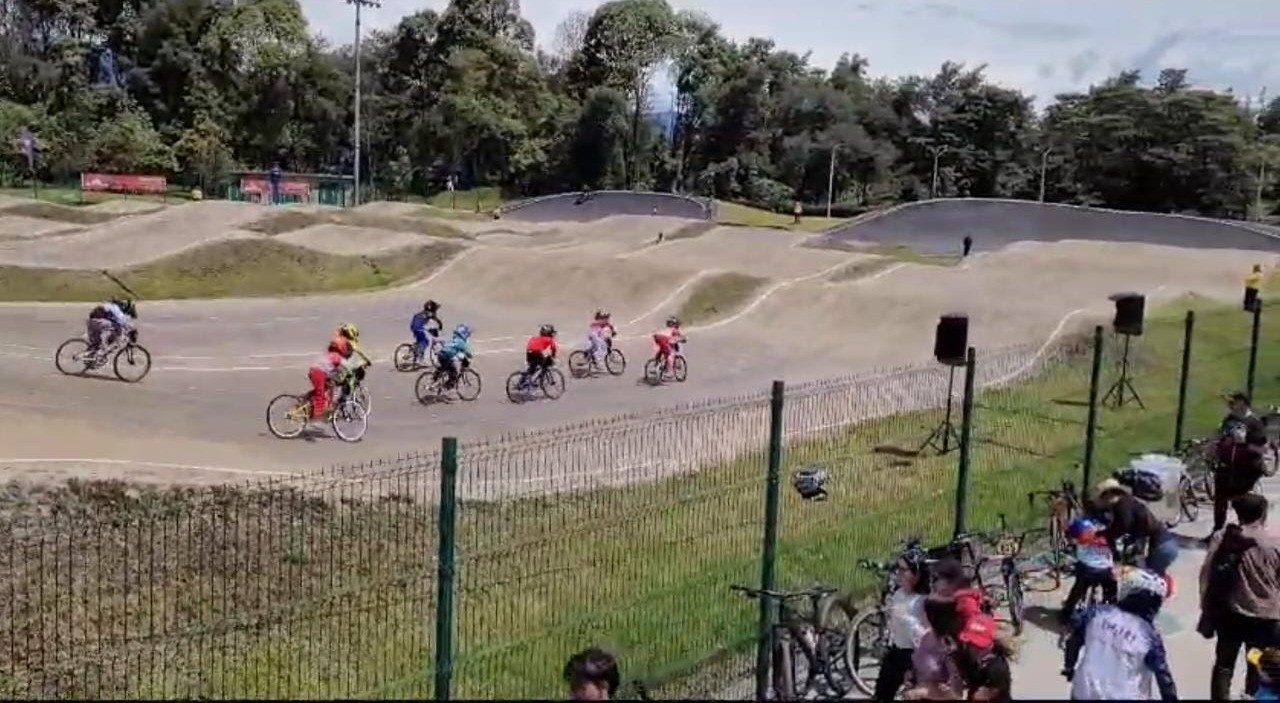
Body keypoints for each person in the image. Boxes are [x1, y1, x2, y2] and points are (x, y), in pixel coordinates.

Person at [1200, 493, 1280, 700]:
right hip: (1265, 618)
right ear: (1262, 515)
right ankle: (1251, 697)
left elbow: (1207, 574)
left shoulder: (1224, 537)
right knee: (1257, 665)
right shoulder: (1274, 542)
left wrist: (1206, 606)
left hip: (1231, 614)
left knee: (1224, 665)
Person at [1062, 567, 1177, 701]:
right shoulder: (1149, 636)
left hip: (1084, 691)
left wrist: (1069, 667)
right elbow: (1163, 676)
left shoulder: (1096, 614)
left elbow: (1073, 642)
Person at [875, 548, 932, 700]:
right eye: (898, 569)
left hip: (916, 657)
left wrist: (906, 619)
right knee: (882, 694)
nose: (898, 574)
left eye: (903, 570)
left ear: (916, 574)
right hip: (897, 651)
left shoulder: (925, 601)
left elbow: (926, 636)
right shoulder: (899, 594)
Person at [1095, 478, 1179, 575]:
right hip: (1168, 544)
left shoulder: (1122, 504)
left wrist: (1102, 535)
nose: (1102, 502)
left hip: (1162, 547)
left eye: (1102, 497)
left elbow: (1123, 526)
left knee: (1147, 577)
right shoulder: (1129, 503)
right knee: (1153, 575)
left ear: (1109, 494)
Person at [1211, 426, 1269, 538]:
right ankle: (1242, 529)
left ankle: (1219, 529)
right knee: (1241, 505)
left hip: (1228, 483)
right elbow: (1261, 470)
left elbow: (1218, 455)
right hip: (1236, 486)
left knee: (1223, 506)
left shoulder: (1234, 450)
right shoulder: (1249, 454)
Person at [904, 595, 964, 700]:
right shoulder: (923, 637)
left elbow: (957, 693)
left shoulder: (949, 648)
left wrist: (924, 692)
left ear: (931, 617)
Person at [1060, 517, 1118, 624]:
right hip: (1105, 569)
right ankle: (1110, 616)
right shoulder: (1108, 528)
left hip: (1087, 568)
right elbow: (1115, 550)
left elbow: (1070, 539)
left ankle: (1066, 614)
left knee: (1078, 589)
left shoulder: (1079, 524)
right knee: (1110, 591)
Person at [953, 612, 1013, 702]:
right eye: (969, 643)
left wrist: (982, 693)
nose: (973, 648)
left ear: (990, 645)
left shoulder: (997, 667)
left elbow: (990, 691)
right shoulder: (965, 655)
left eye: (978, 646)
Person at [308, 342, 353, 419]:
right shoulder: (338, 357)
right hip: (318, 372)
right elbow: (348, 367)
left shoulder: (332, 354)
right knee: (320, 394)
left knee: (328, 388)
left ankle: (310, 399)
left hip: (318, 371)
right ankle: (317, 416)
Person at [432, 324, 474, 388]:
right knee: (454, 373)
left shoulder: (454, 339)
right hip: (446, 356)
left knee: (445, 367)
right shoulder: (461, 342)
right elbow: (468, 352)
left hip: (442, 355)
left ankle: (435, 377)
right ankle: (445, 386)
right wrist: (470, 356)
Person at [410, 300, 443, 364]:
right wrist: (440, 327)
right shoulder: (430, 313)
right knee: (425, 341)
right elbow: (438, 321)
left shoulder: (422, 313)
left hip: (414, 327)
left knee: (420, 339)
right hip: (419, 328)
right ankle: (420, 359)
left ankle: (415, 350)